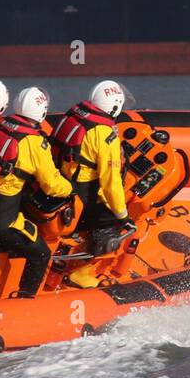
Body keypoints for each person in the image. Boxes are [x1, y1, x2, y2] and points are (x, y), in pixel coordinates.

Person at [0, 86, 71, 297]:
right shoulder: (35, 142)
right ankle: (26, 299)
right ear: (42, 111)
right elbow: (51, 185)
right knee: (41, 253)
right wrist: (71, 188)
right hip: (1, 217)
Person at [50, 80, 134, 288]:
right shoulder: (105, 134)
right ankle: (81, 272)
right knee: (111, 220)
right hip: (81, 192)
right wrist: (123, 216)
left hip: (60, 180)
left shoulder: (75, 114)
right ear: (115, 106)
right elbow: (110, 182)